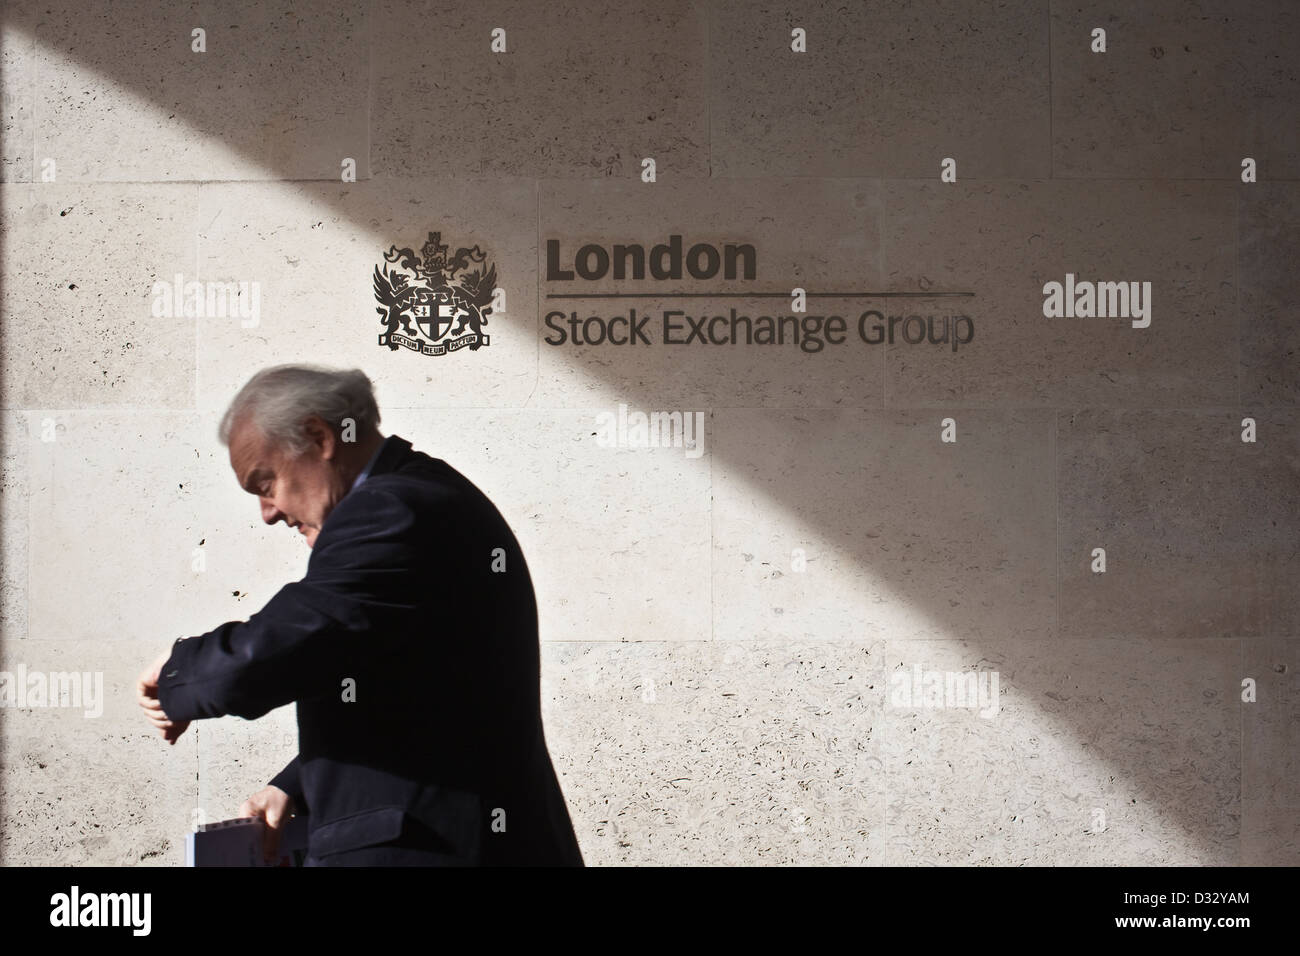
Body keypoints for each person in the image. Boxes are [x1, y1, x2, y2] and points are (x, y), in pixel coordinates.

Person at [136, 364, 583, 866]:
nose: (268, 512)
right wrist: (294, 787)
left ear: (319, 436)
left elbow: (288, 642)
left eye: (266, 484)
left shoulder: (392, 510)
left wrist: (179, 673)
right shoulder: (424, 495)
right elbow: (424, 703)